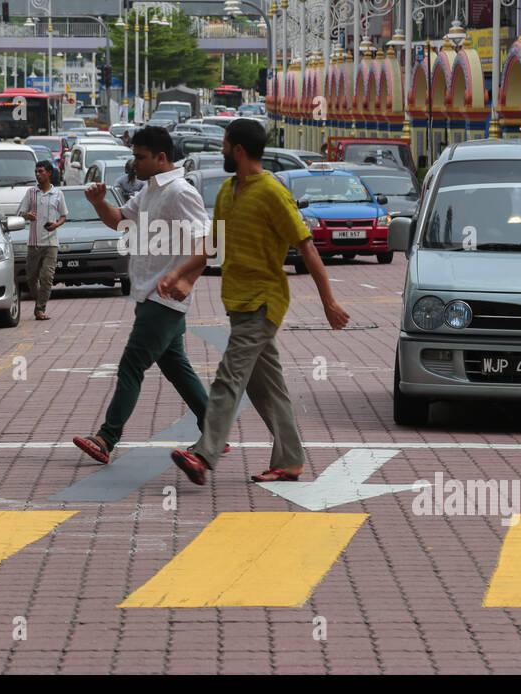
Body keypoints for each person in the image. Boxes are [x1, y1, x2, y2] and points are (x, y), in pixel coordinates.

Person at [158, 118, 349, 486]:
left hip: (264, 303)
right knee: (267, 387)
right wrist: (181, 276)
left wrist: (329, 302)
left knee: (228, 377)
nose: (222, 151)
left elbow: (306, 246)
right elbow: (213, 247)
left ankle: (204, 454)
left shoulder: (273, 192)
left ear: (239, 150)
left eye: (225, 145)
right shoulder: (229, 191)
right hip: (238, 302)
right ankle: (290, 460)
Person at [70, 126, 211, 464]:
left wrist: (183, 278)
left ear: (161, 158)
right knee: (176, 367)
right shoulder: (149, 190)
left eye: (140, 157)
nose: (134, 163)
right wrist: (99, 202)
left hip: (164, 298)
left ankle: (107, 437)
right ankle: (214, 430)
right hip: (150, 294)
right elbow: (120, 221)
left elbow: (209, 242)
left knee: (131, 365)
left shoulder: (179, 191)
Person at [18, 159, 67, 321]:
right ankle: (39, 301)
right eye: (36, 172)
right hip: (33, 243)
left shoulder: (58, 193)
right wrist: (27, 215)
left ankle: (40, 309)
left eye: (41, 171)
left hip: (51, 243)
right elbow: (21, 212)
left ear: (49, 173)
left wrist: (56, 225)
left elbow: (63, 216)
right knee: (31, 278)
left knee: (47, 277)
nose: (38, 175)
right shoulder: (31, 193)